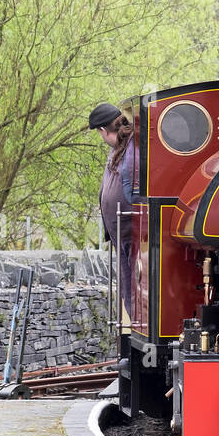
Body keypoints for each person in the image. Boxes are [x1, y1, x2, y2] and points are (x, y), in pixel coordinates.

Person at [91, 102, 136, 319]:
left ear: (102, 130)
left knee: (132, 288)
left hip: (132, 231)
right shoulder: (119, 149)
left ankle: (138, 326)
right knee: (128, 288)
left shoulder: (131, 148)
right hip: (122, 232)